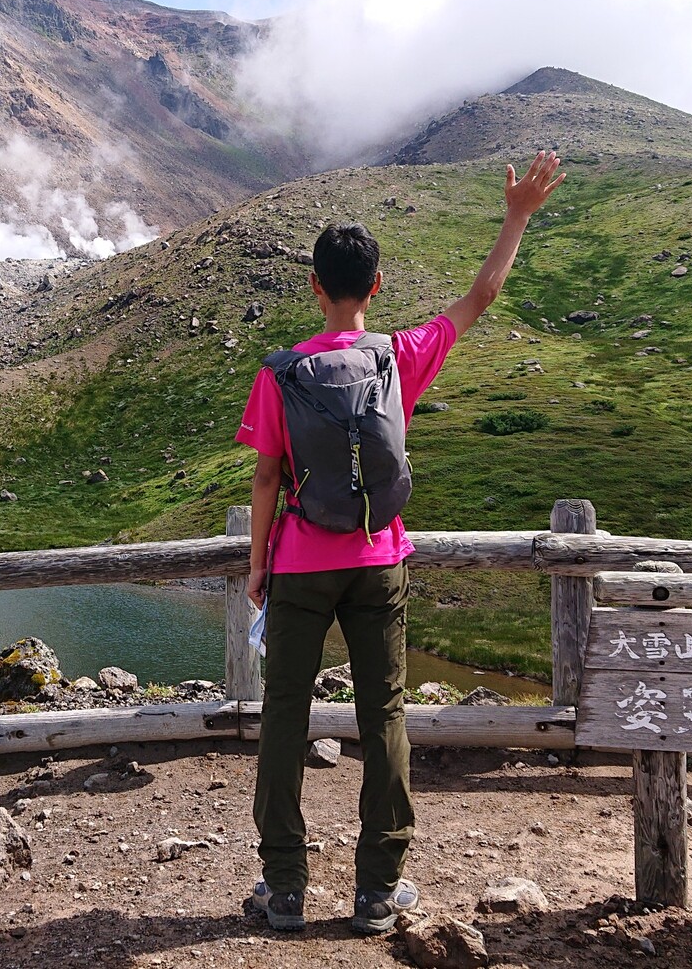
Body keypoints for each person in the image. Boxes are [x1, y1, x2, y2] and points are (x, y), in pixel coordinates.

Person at [235, 151, 565, 933]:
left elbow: (263, 483)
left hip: (298, 565)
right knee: (382, 713)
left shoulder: (279, 374)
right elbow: (482, 296)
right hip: (380, 560)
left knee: (284, 717)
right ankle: (377, 891)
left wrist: (258, 567)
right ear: (376, 286)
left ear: (314, 285)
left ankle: (284, 888)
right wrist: (516, 214)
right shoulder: (399, 355)